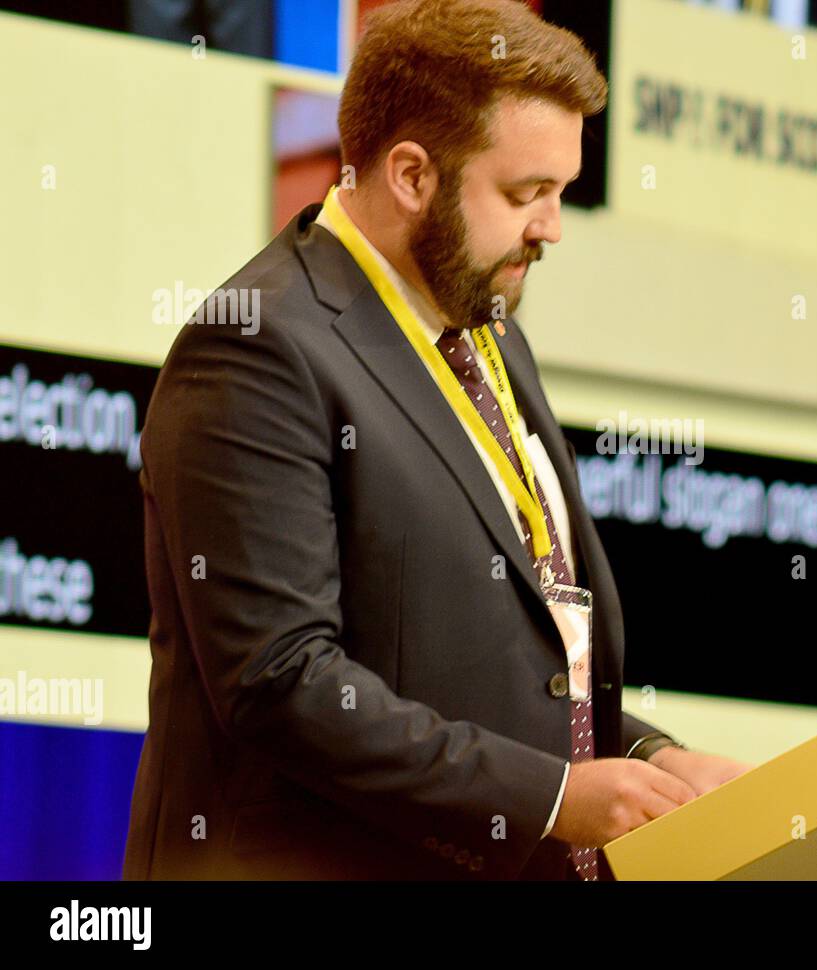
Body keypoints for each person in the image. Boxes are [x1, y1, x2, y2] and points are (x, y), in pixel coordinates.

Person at [121, 0, 750, 882]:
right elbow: (281, 681)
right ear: (411, 174)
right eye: (527, 193)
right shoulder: (259, 344)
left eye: (561, 193)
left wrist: (649, 762)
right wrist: (554, 801)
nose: (551, 227)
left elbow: (508, 657)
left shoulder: (487, 331)